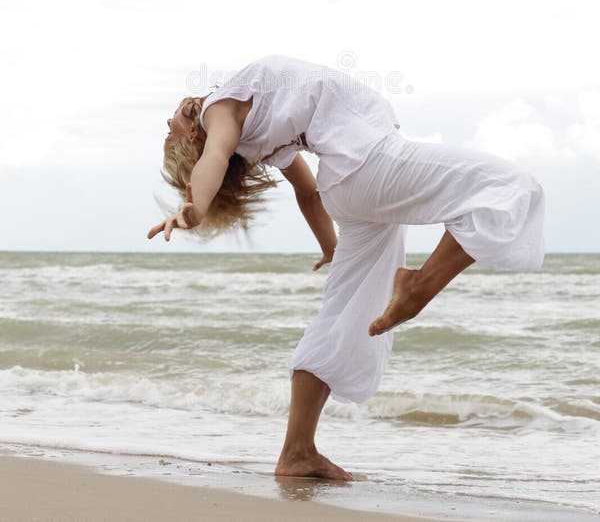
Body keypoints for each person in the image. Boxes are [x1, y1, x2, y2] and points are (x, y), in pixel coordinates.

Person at [148, 53, 545, 482]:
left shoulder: (257, 129)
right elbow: (216, 156)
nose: (165, 126)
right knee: (511, 186)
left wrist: (332, 248)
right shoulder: (217, 111)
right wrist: (196, 209)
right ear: (193, 132)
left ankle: (297, 451)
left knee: (339, 316)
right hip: (371, 160)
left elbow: (309, 193)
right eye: (170, 135)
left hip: (349, 185)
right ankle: (418, 286)